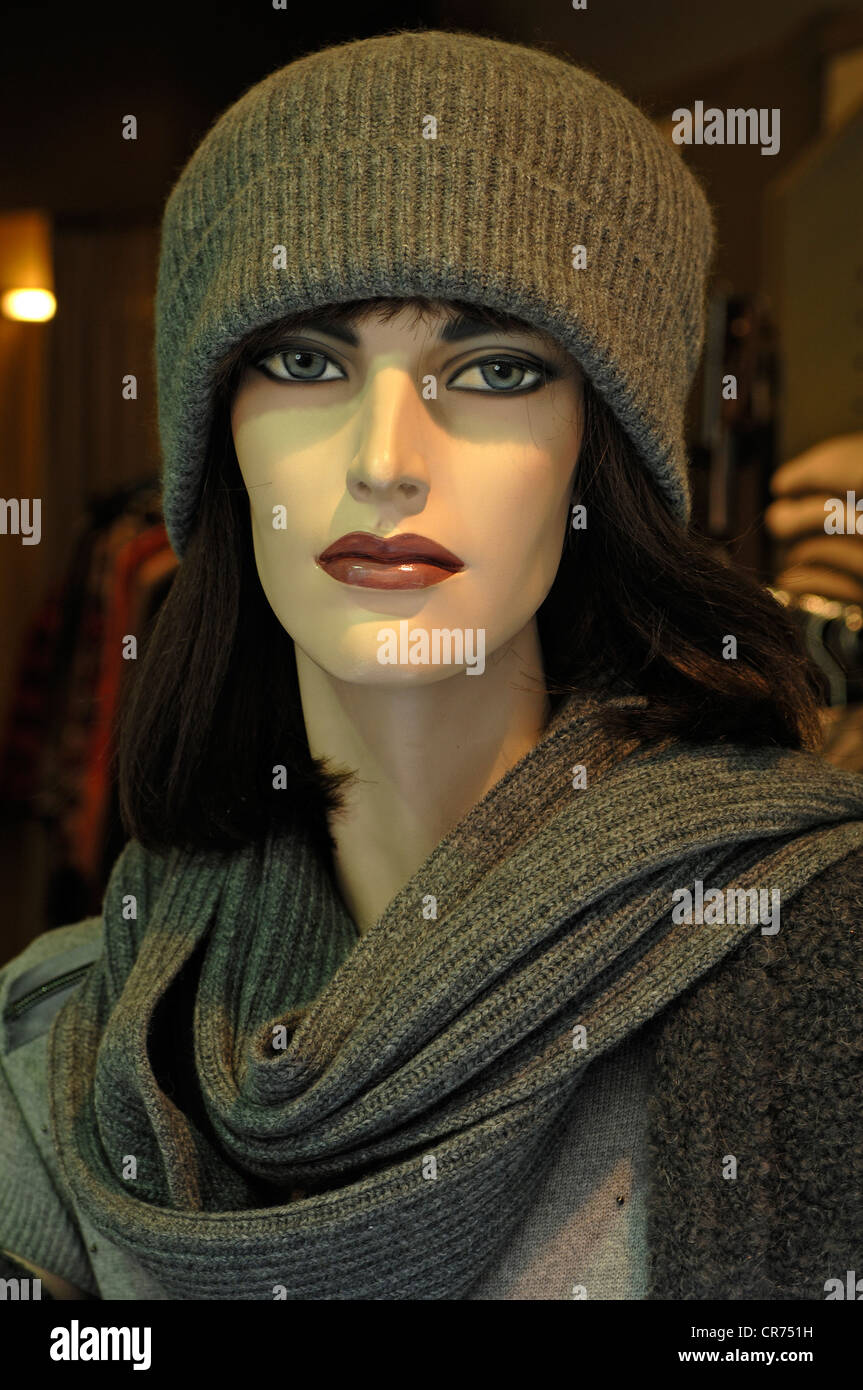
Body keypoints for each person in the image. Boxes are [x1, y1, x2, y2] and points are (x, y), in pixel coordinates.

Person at [2, 27, 863, 1302]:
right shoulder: (67, 1039)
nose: (386, 458)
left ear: (599, 449)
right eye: (304, 360)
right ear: (217, 441)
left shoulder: (812, 961)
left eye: (494, 369)